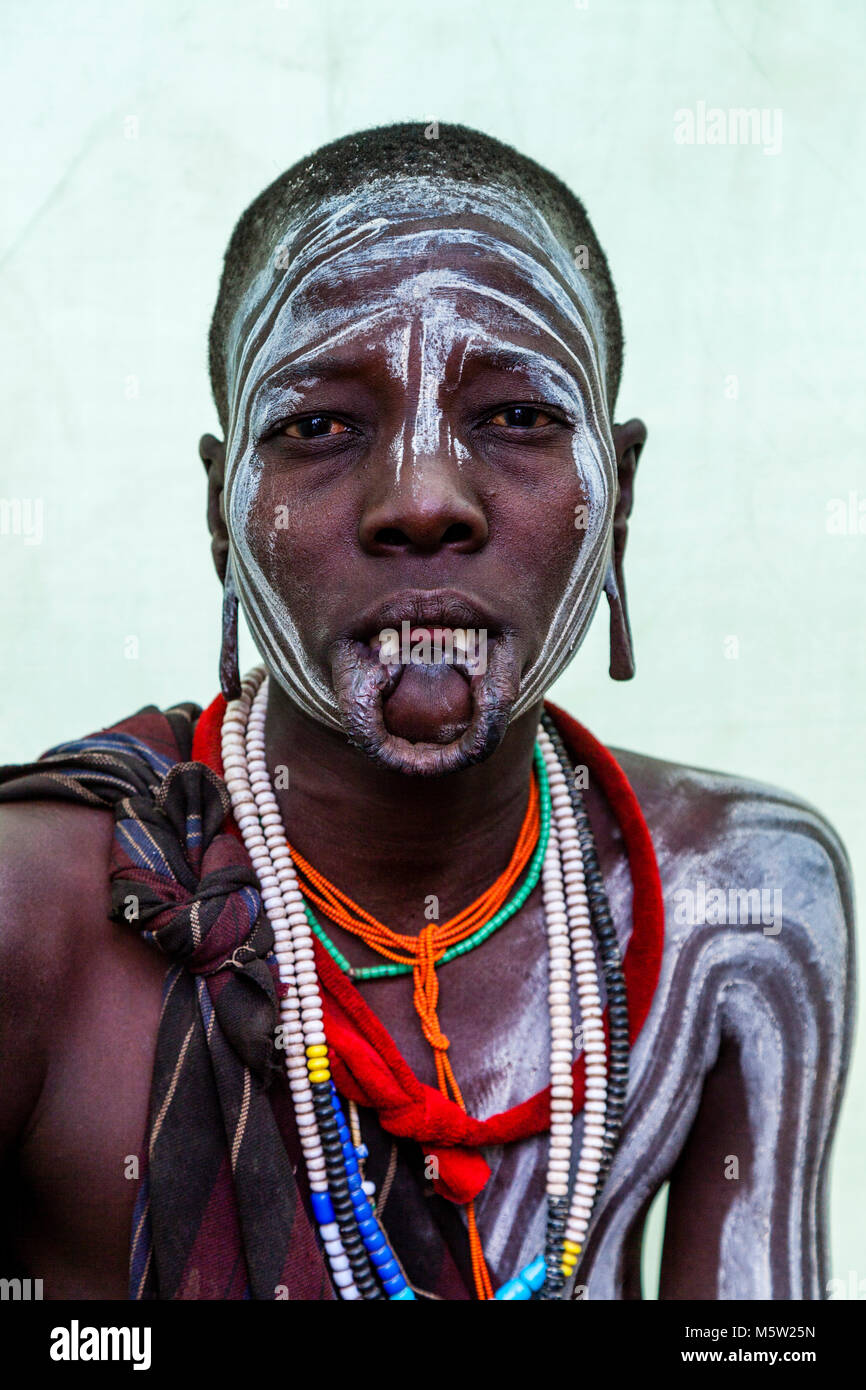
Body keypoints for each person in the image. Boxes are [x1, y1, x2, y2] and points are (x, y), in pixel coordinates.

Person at [0, 122, 853, 1301]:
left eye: (514, 418)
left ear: (618, 500)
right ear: (221, 515)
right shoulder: (31, 914)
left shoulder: (738, 904)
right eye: (317, 425)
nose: (422, 498)